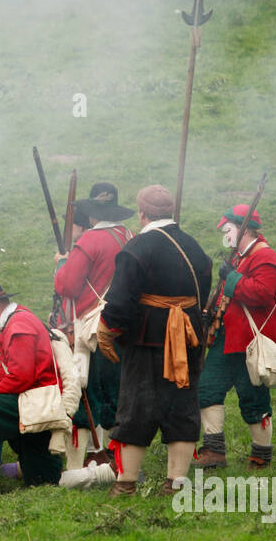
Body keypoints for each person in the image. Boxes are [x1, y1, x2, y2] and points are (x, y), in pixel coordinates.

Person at [90, 185, 212, 497]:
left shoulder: (137, 248)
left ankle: (126, 482)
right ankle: (175, 483)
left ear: (142, 214)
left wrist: (107, 329)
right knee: (182, 408)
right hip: (187, 337)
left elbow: (120, 300)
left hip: (145, 340)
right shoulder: (194, 246)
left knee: (136, 407)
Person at [195, 202, 276, 470]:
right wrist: (209, 312)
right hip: (227, 339)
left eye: (227, 229)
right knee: (207, 388)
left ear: (243, 229)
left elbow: (261, 294)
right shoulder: (239, 257)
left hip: (250, 342)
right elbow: (228, 297)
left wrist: (233, 278)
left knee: (254, 399)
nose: (224, 235)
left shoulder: (265, 258)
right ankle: (213, 451)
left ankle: (261, 455)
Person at [0, 278, 67, 492]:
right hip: (34, 403)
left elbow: (21, 378)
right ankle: (104, 473)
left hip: (34, 404)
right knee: (44, 481)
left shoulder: (18, 326)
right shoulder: (17, 321)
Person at [53, 184, 134, 468]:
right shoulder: (128, 235)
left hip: (95, 325)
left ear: (91, 216)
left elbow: (67, 285)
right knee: (117, 389)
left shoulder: (89, 242)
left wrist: (62, 264)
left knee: (93, 391)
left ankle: (98, 458)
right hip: (126, 322)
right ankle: (113, 453)